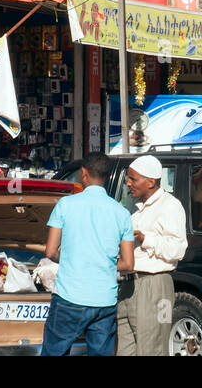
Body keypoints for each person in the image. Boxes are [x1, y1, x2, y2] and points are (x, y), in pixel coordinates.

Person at [41, 152, 134, 356]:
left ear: (83, 173)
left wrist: (69, 259)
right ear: (108, 177)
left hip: (69, 297)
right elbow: (128, 263)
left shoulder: (65, 205)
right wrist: (104, 263)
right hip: (104, 300)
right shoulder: (122, 214)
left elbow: (50, 251)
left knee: (54, 351)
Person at [116, 154, 187, 357]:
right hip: (128, 284)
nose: (128, 183)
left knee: (152, 349)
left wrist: (146, 238)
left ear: (150, 182)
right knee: (124, 349)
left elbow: (177, 249)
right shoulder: (134, 207)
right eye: (128, 178)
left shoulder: (170, 206)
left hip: (155, 286)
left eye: (133, 179)